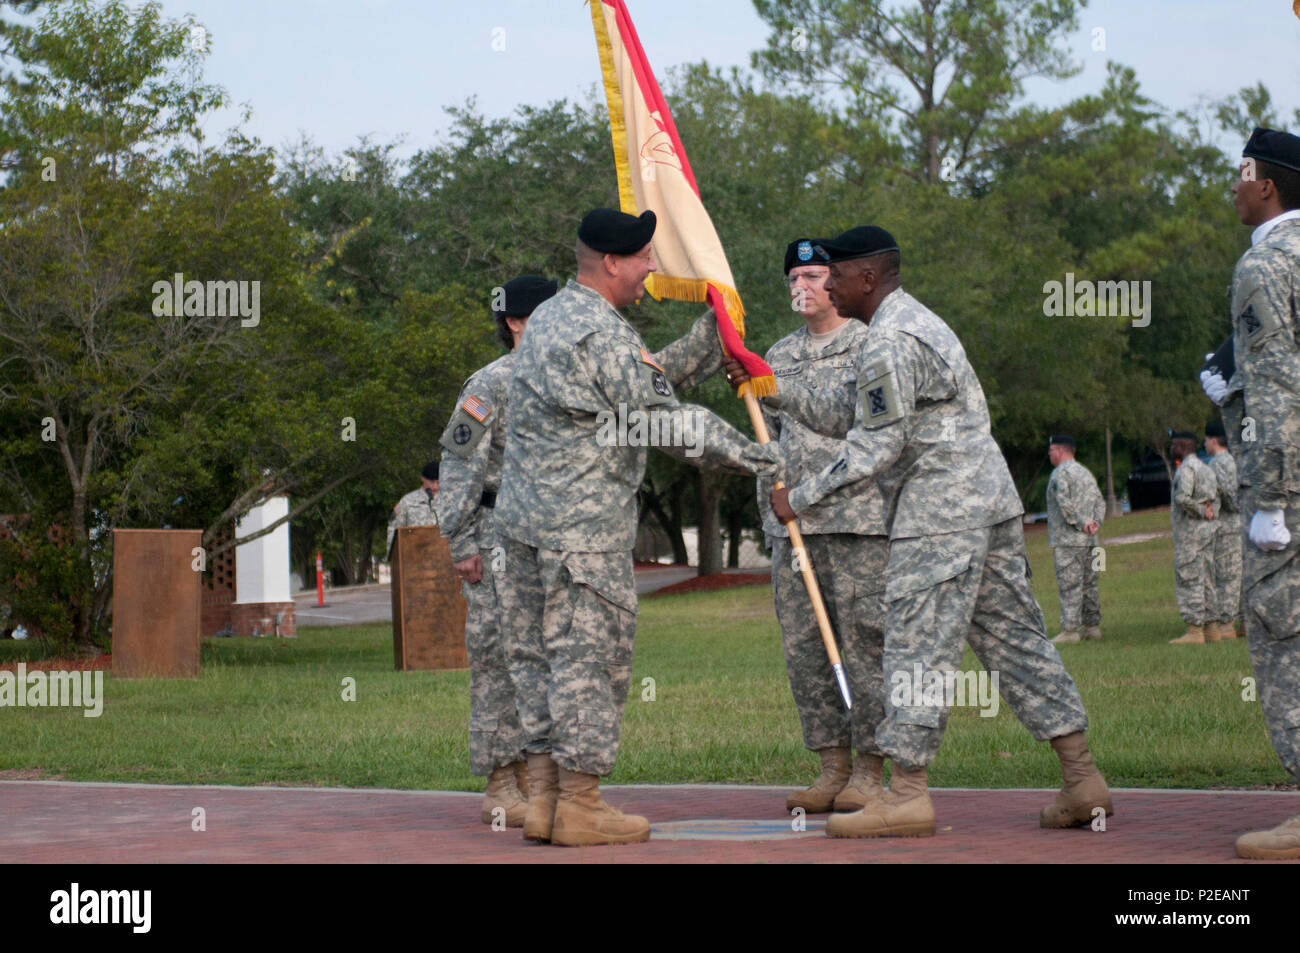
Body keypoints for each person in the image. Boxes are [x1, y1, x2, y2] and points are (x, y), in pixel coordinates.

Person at [765, 225, 1111, 838]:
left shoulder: (888, 340)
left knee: (915, 646)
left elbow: (873, 445)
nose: (829, 283)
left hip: (939, 512)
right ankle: (1081, 778)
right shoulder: (917, 323)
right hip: (988, 502)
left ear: (867, 277)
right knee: (1015, 640)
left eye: (837, 273)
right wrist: (774, 388)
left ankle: (908, 792)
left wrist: (802, 498)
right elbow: (851, 408)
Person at [493, 208, 779, 847]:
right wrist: (766, 459)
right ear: (614, 263)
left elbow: (642, 382)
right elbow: (664, 421)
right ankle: (582, 805)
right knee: (588, 664)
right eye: (646, 258)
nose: (653, 268)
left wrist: (716, 330)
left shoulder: (552, 321)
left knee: (540, 664)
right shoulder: (600, 333)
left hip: (526, 531)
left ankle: (545, 803)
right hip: (582, 535)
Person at [754, 238, 890, 814]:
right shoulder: (775, 355)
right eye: (792, 278)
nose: (800, 287)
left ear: (834, 280)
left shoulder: (869, 343)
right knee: (806, 650)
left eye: (811, 275)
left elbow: (861, 427)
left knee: (863, 644)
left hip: (855, 520)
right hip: (792, 527)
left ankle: (870, 768)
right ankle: (831, 765)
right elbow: (766, 439)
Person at [437, 274, 558, 828]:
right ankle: (499, 781)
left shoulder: (566, 378)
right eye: (543, 312)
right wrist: (461, 541)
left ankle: (542, 778)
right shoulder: (490, 383)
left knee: (547, 658)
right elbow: (459, 465)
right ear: (514, 320)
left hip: (551, 538)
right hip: (493, 533)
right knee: (497, 659)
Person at [1222, 127, 1300, 859]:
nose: (1233, 188)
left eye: (1239, 174)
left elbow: (1277, 386)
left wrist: (1270, 499)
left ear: (1267, 183)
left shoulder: (1266, 264)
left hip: (1292, 484)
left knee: (1285, 638)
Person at [1045, 435, 1106, 644]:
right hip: (1092, 541)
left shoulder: (1059, 474)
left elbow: (1064, 504)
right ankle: (1092, 627)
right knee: (1090, 583)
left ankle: (1071, 630)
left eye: (1051, 450)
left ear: (1061, 450)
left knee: (1070, 583)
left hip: (1068, 541)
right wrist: (1095, 523)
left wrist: (1081, 523)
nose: (1049, 454)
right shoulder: (1085, 472)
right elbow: (1100, 500)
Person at [1167, 432, 1220, 645]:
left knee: (1190, 578)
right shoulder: (1206, 468)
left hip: (1190, 533)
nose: (1171, 449)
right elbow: (1214, 500)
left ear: (1181, 446)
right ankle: (1212, 629)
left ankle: (1195, 630)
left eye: (1173, 445)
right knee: (1207, 577)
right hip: (1207, 532)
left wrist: (1199, 510)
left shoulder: (1187, 469)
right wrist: (1209, 511)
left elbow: (1182, 498)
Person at [1205, 420, 1242, 641]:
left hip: (1226, 527)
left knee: (1226, 577)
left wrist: (1233, 506)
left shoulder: (1218, 463)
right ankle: (1245, 622)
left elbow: (1228, 493)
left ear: (1214, 440)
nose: (1205, 443)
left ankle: (1227, 625)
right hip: (1238, 526)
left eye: (1207, 439)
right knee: (1238, 576)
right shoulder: (1236, 460)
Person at [386, 461, 439, 557]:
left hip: (443, 560)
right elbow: (393, 532)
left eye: (438, 482)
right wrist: (394, 558)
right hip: (414, 560)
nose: (435, 487)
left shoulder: (449, 502)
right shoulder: (406, 502)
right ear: (422, 478)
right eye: (431, 482)